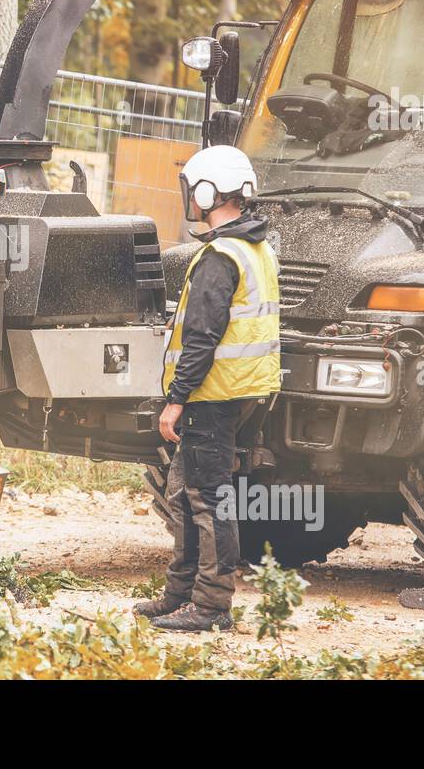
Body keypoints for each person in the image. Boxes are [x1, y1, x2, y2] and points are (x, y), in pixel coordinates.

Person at [134, 145, 281, 633]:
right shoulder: (256, 248)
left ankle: (212, 606)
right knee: (184, 492)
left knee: (207, 499)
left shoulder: (220, 256)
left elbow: (201, 339)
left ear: (205, 192)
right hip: (236, 393)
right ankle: (181, 594)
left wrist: (175, 401)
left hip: (210, 397)